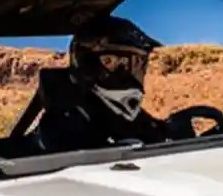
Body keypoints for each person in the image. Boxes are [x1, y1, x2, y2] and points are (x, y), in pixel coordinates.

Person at [34, 15, 170, 152]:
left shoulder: (126, 115)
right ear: (88, 66)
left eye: (138, 64)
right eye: (111, 62)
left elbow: (155, 135)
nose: (130, 74)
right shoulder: (64, 124)